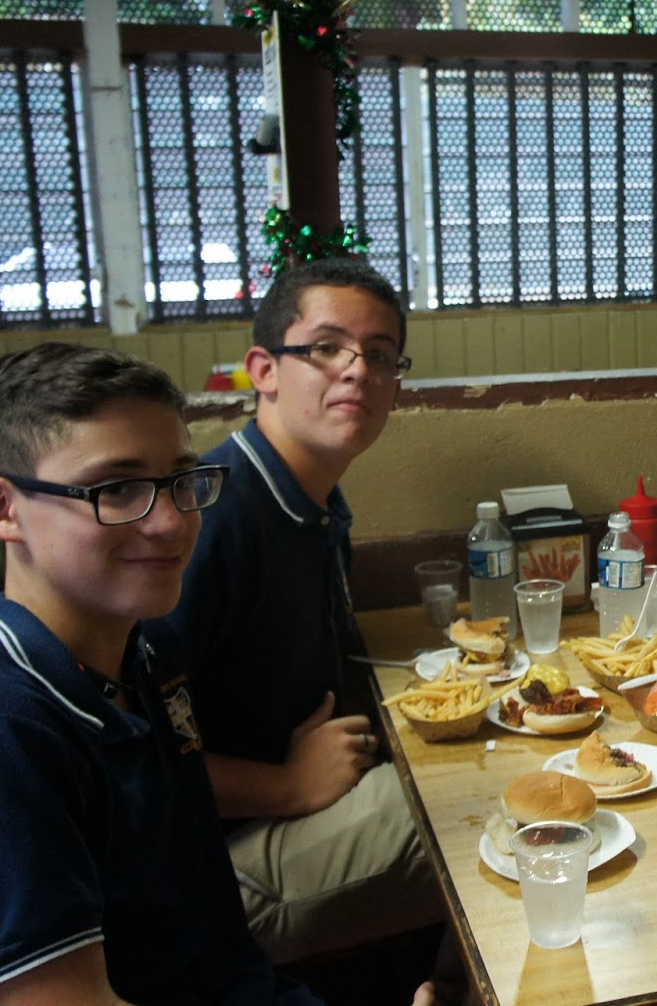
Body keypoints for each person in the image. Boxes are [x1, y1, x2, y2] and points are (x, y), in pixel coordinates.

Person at [0, 343, 439, 1004]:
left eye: (181, 482)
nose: (169, 521)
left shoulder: (142, 666)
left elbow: (208, 960)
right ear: (1, 508)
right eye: (118, 488)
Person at [145, 258, 442, 964]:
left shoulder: (315, 504)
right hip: (207, 871)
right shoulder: (210, 518)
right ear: (264, 369)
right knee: (484, 814)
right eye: (327, 347)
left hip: (298, 809)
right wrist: (284, 785)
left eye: (379, 355)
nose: (358, 371)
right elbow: (127, 756)